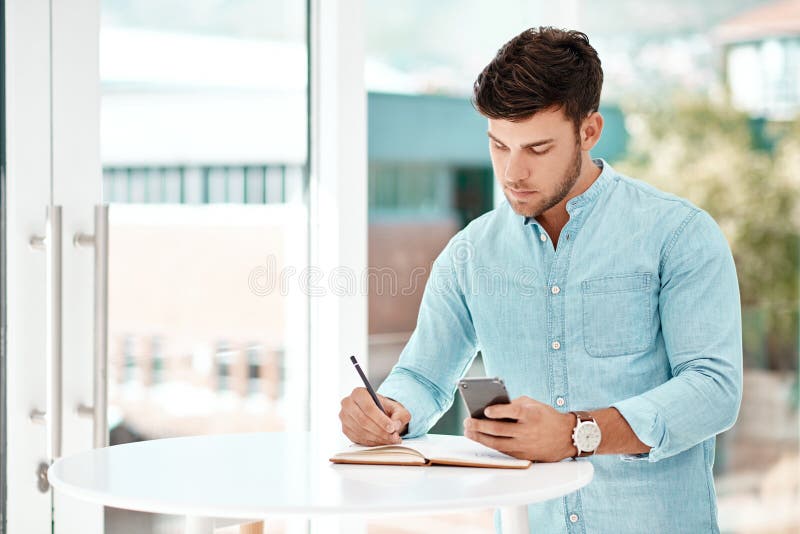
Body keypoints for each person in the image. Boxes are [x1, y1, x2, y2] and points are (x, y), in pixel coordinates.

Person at [339, 26, 742, 533]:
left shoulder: (679, 234)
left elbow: (713, 389)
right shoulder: (469, 255)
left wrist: (579, 434)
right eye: (499, 145)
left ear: (589, 131)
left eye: (537, 148)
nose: (512, 172)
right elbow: (422, 378)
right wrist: (389, 412)